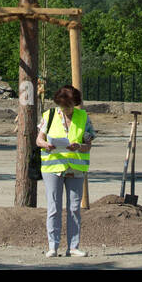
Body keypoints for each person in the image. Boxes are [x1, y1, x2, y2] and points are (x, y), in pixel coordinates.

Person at [36, 84, 96, 257]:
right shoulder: (49, 115)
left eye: (69, 105)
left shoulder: (83, 117)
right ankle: (53, 247)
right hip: (52, 167)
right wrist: (46, 144)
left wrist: (79, 146)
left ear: (75, 103)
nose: (66, 109)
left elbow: (88, 144)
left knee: (74, 208)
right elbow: (39, 139)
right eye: (63, 106)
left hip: (76, 168)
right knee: (53, 207)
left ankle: (73, 247)